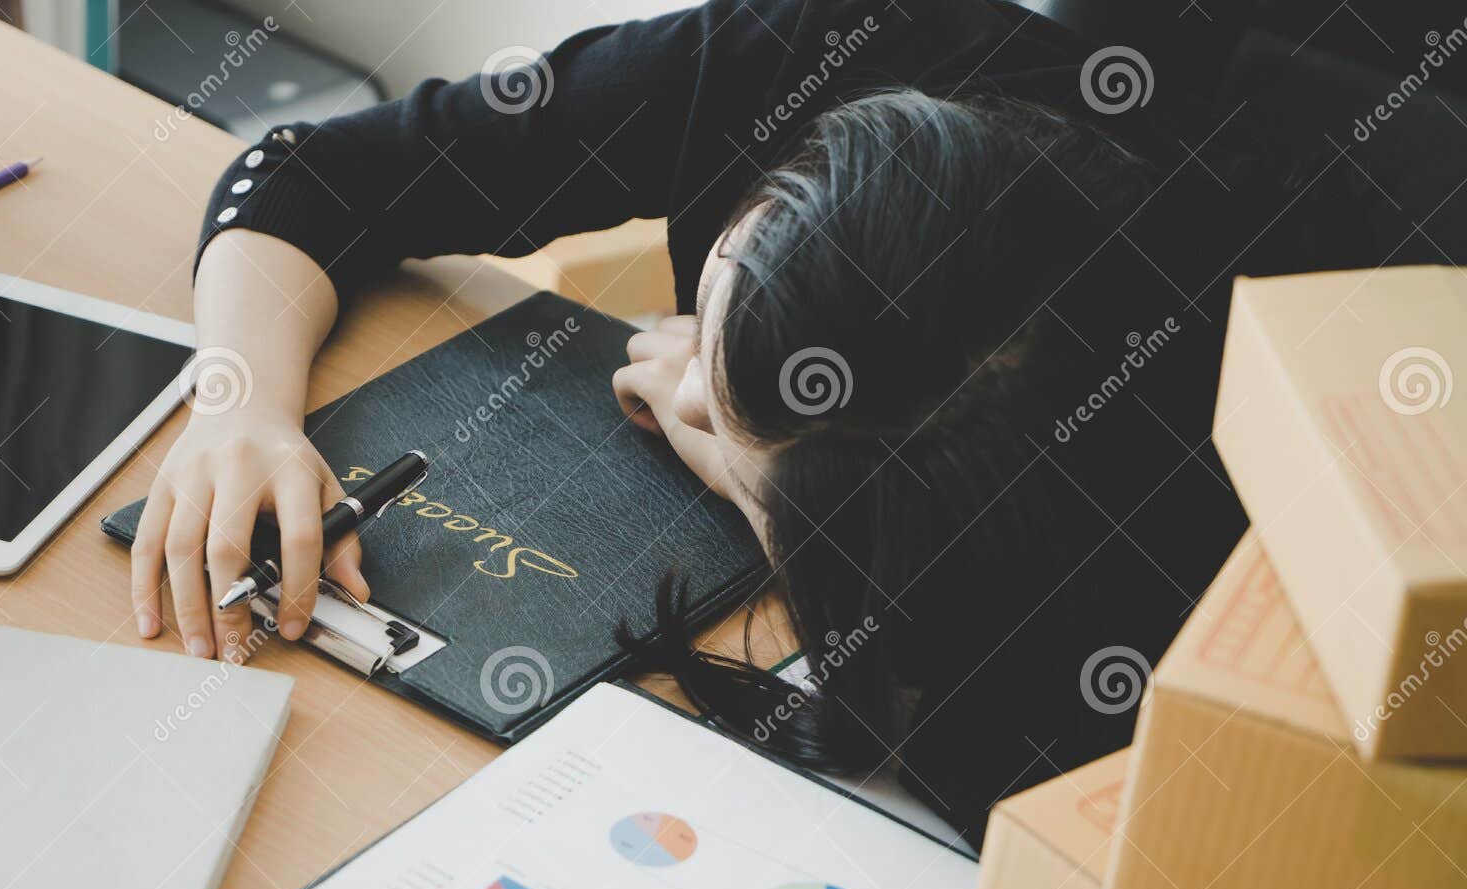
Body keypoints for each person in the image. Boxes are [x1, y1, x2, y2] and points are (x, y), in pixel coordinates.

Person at [130, 0, 1366, 842]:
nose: (674, 369)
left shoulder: (1254, 350)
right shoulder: (806, 46)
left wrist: (740, 462)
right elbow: (311, 169)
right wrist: (239, 405)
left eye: (713, 400)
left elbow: (1048, 756)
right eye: (724, 282)